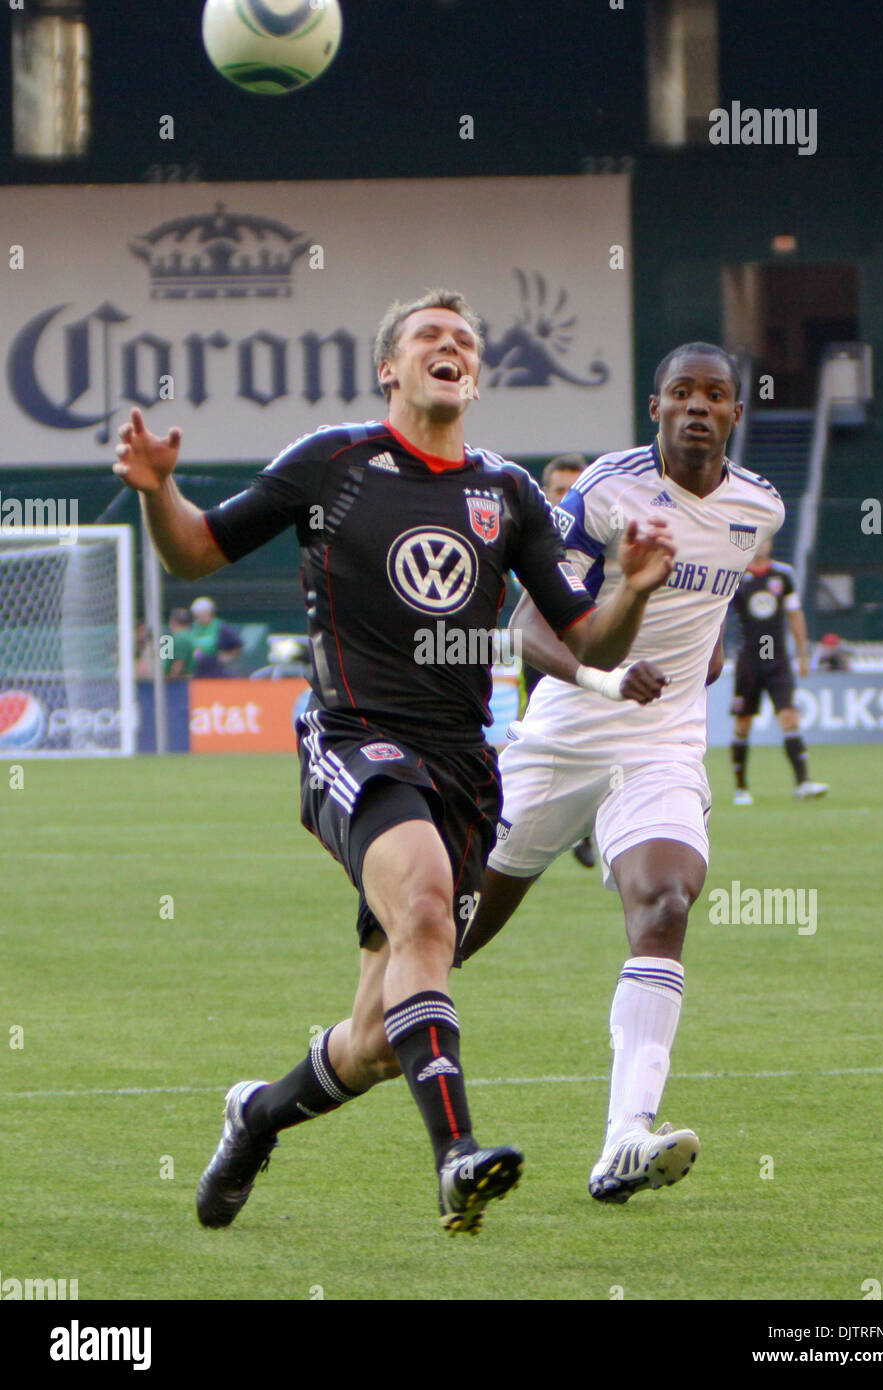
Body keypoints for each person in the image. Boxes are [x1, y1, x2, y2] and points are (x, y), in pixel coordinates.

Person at [112, 288, 676, 1235]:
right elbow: (196, 555)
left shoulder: (507, 492)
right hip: (354, 737)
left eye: (464, 338)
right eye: (429, 337)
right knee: (420, 906)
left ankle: (254, 1116)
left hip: (463, 771)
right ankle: (456, 1155)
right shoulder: (332, 463)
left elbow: (591, 641)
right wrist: (158, 491)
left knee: (376, 1040)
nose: (450, 346)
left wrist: (630, 588)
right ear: (391, 367)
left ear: (477, 373)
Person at [459, 342, 786, 1207]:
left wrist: (702, 655)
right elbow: (527, 627)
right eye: (680, 392)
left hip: (660, 745)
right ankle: (291, 1090)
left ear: (734, 414)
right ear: (654, 407)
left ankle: (624, 1139)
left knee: (667, 902)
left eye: (714, 395)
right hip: (562, 736)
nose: (696, 408)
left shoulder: (759, 508)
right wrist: (603, 674)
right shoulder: (605, 488)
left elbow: (707, 614)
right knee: (443, 941)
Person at [524, 453, 597, 869]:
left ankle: (584, 826)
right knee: (538, 737)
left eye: (575, 489)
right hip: (540, 653)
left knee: (594, 738)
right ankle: (532, 826)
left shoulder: (597, 533)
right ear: (545, 491)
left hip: (591, 651)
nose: (566, 497)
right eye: (559, 490)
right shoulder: (530, 534)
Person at [729, 539, 828, 804]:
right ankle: (741, 788)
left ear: (772, 543)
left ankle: (803, 783)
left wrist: (803, 654)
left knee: (789, 718)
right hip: (749, 661)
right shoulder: (736, 574)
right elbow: (720, 615)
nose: (762, 544)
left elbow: (795, 614)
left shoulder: (783, 575)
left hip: (778, 660)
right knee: (743, 723)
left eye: (768, 539)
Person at [188, 596, 243, 677]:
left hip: (216, 671)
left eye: (203, 614)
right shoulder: (192, 628)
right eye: (197, 616)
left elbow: (237, 644)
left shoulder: (221, 627)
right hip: (197, 670)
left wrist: (228, 657)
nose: (200, 618)